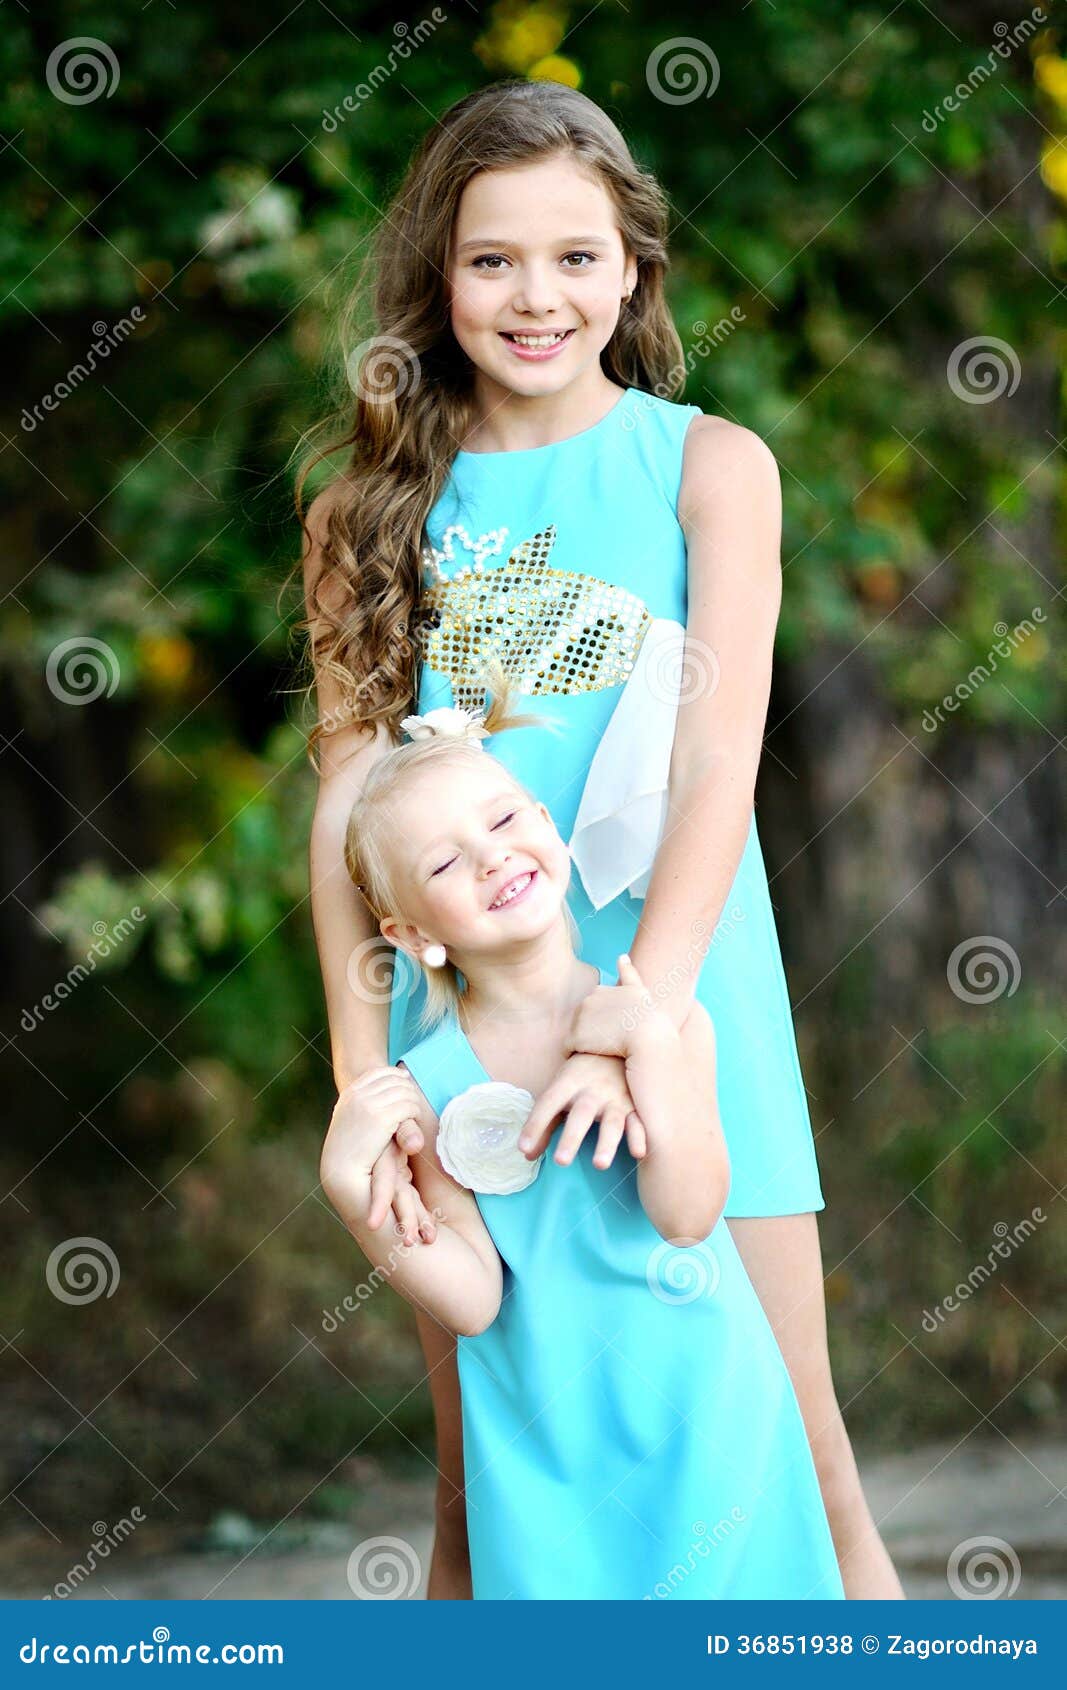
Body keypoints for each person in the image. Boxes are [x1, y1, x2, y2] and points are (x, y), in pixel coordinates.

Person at [295, 77, 903, 1598]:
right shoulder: (369, 509)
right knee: (475, 1488)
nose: (534, 295)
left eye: (575, 256)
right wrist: (361, 1064)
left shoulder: (708, 465)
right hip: (474, 1025)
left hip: (689, 997)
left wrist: (643, 1008)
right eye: (492, 257)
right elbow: (345, 810)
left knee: (804, 1454)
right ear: (439, 275)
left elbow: (715, 761)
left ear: (632, 266)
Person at [320, 696, 845, 1600]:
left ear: (550, 830)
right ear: (413, 938)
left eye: (504, 819)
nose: (490, 856)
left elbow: (687, 1213)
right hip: (548, 1443)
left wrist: (646, 1048)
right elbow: (476, 1298)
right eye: (445, 861)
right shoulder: (428, 1084)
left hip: (702, 1415)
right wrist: (351, 1195)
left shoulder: (661, 1016)